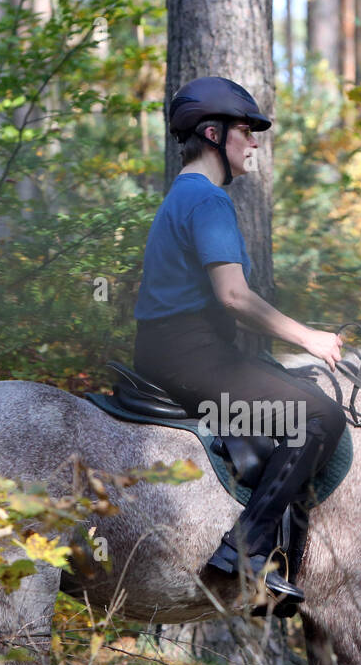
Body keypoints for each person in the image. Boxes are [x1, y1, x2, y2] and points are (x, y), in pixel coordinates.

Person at [133, 76, 347, 605]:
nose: (254, 141)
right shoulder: (207, 202)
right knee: (320, 417)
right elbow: (234, 297)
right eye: (246, 131)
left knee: (290, 391)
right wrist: (311, 338)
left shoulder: (183, 196)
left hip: (174, 354)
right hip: (192, 359)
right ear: (212, 133)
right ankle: (245, 554)